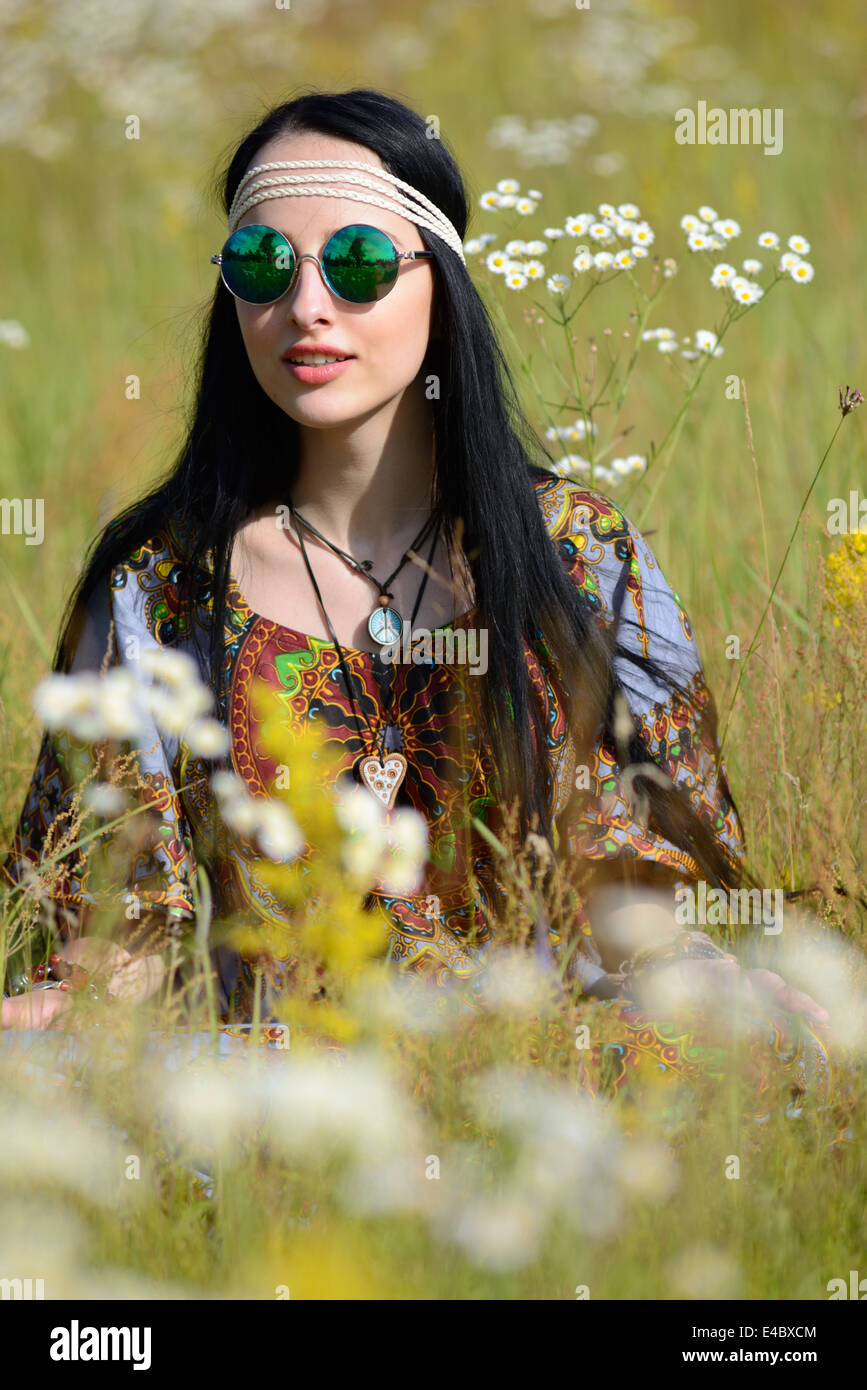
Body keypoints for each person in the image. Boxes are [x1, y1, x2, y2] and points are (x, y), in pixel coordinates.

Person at [0, 89, 831, 1106]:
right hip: (267, 1083)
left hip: (529, 1065)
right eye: (262, 265)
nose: (306, 305)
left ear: (442, 287)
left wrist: (703, 980)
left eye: (355, 266)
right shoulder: (161, 584)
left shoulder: (576, 555)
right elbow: (119, 917)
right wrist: (77, 995)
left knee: (766, 1047)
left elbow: (635, 876)